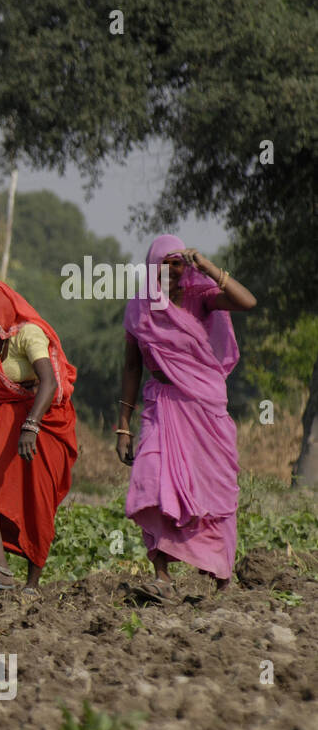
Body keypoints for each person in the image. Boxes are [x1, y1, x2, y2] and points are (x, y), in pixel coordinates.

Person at [117, 236, 258, 600]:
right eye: (164, 263)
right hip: (161, 404)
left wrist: (207, 266)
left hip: (205, 407)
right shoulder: (140, 308)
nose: (171, 270)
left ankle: (221, 577)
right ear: (151, 267)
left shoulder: (203, 297)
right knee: (153, 478)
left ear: (186, 266)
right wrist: (123, 425)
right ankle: (162, 576)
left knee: (213, 487)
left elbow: (247, 301)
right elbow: (132, 367)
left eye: (177, 263)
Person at [0, 277, 78, 593]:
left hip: (43, 419)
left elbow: (48, 382)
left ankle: (32, 583)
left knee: (38, 500)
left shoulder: (28, 333)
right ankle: (0, 568)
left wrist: (31, 426)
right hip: (5, 417)